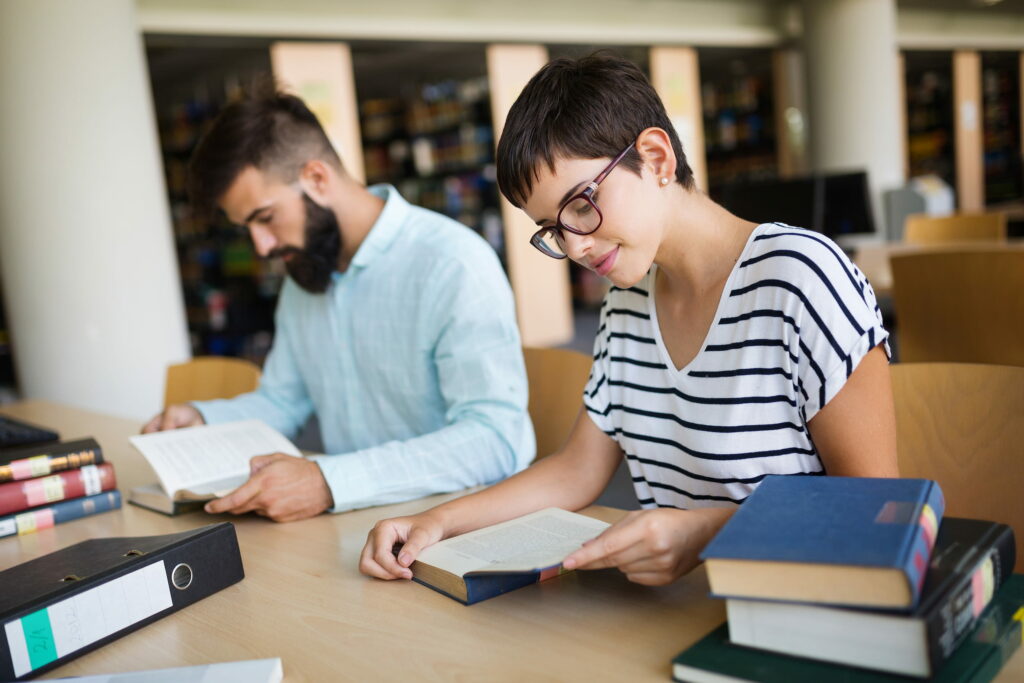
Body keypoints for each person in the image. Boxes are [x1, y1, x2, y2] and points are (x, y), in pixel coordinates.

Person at [360, 52, 898, 585]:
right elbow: (577, 469)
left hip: (799, 604)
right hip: (679, 609)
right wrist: (438, 521)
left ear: (657, 159)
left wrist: (706, 535)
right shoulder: (628, 300)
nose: (575, 246)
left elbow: (875, 506)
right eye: (553, 229)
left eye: (581, 204)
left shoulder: (800, 277)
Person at [143, 89, 534, 522]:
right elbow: (283, 401)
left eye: (266, 218)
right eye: (247, 229)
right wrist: (202, 421)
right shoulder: (304, 277)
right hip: (356, 522)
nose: (262, 246)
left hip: (460, 524)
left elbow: (495, 438)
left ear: (317, 178)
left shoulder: (452, 262)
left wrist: (330, 482)